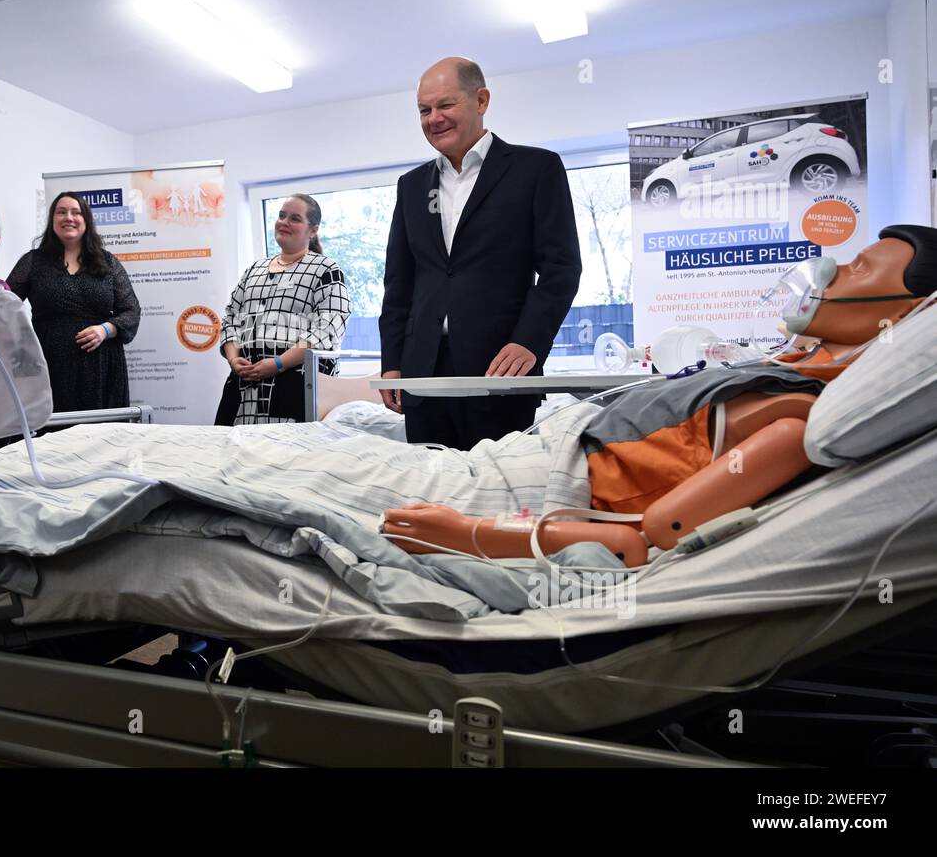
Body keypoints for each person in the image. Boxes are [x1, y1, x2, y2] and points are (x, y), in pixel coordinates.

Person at [381, 225, 937, 560]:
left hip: (524, 489)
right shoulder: (776, 369)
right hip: (512, 457)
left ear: (907, 315)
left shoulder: (791, 420)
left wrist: (470, 533)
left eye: (860, 267)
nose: (832, 268)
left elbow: (640, 540)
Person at [379, 56, 582, 450]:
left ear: (482, 100)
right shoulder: (411, 186)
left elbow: (561, 269)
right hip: (423, 378)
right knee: (432, 494)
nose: (433, 118)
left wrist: (529, 341)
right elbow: (399, 282)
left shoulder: (536, 169)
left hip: (501, 371)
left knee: (499, 498)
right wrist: (392, 363)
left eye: (445, 105)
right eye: (424, 110)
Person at [217, 193, 351, 424]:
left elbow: (328, 329)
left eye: (295, 218)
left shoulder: (326, 270)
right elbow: (230, 319)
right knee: (232, 455)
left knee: (287, 457)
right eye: (281, 216)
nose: (284, 222)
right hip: (242, 388)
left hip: (295, 386)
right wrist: (233, 359)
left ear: (312, 230)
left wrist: (278, 364)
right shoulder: (253, 271)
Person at [7, 191, 139, 413]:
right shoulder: (33, 261)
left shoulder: (107, 262)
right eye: (61, 212)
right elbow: (4, 306)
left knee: (103, 439)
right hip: (51, 367)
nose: (69, 217)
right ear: (52, 221)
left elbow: (131, 311)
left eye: (76, 212)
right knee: (53, 440)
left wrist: (106, 329)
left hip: (102, 369)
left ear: (85, 220)